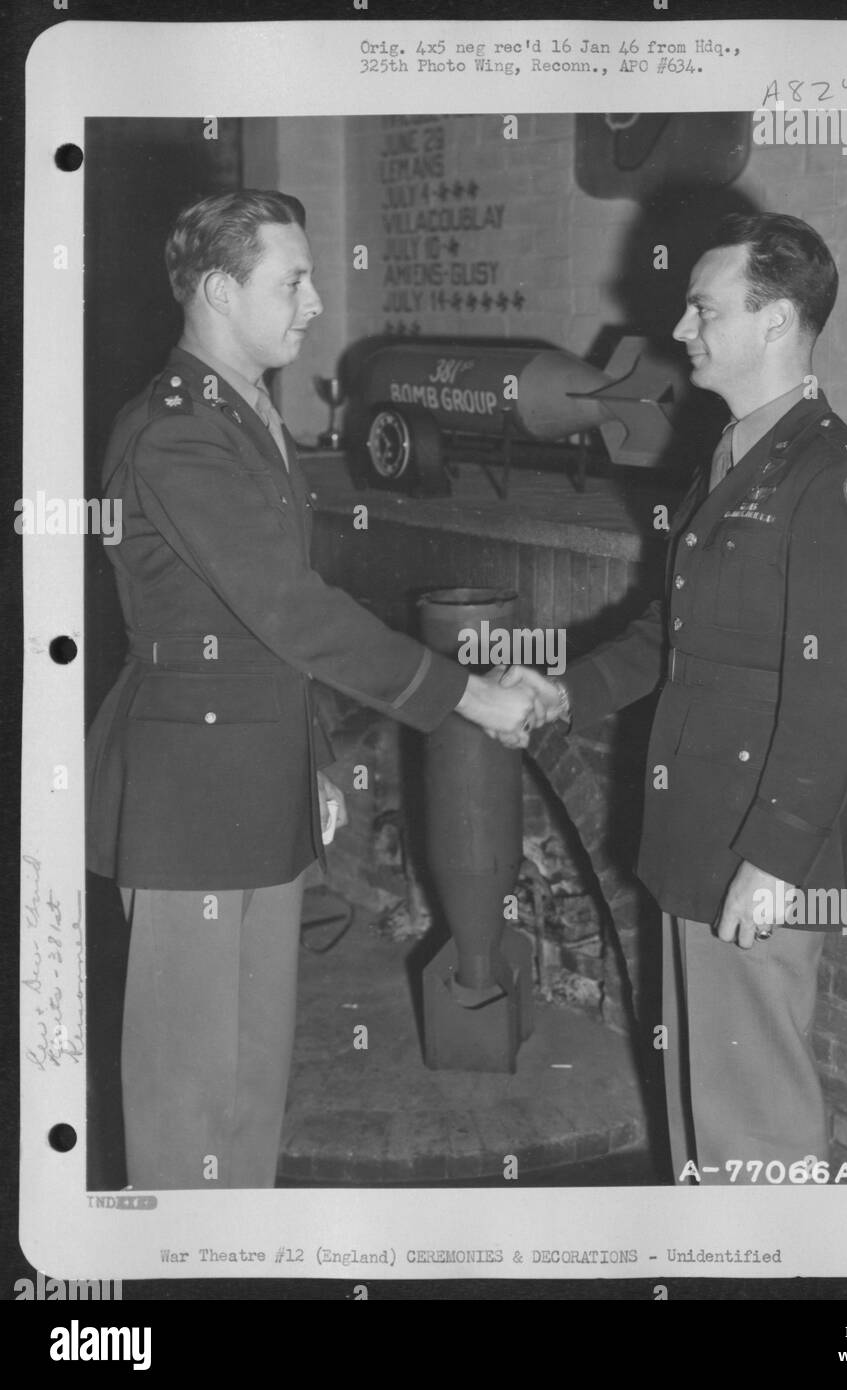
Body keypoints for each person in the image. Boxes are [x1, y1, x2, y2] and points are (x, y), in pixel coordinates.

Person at [86, 189, 539, 1189]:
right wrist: (463, 693)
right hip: (190, 793)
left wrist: (314, 759)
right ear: (215, 290)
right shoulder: (175, 432)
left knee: (253, 1083)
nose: (317, 303)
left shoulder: (247, 413)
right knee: (186, 1097)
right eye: (291, 280)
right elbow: (291, 610)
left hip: (255, 778)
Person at [505, 213, 847, 1185]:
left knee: (757, 1134)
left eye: (704, 308)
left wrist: (772, 860)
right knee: (702, 1118)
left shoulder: (834, 476)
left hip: (759, 851)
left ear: (774, 320)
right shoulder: (731, 457)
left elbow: (835, 696)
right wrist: (564, 690)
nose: (681, 329)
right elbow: (665, 634)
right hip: (702, 838)